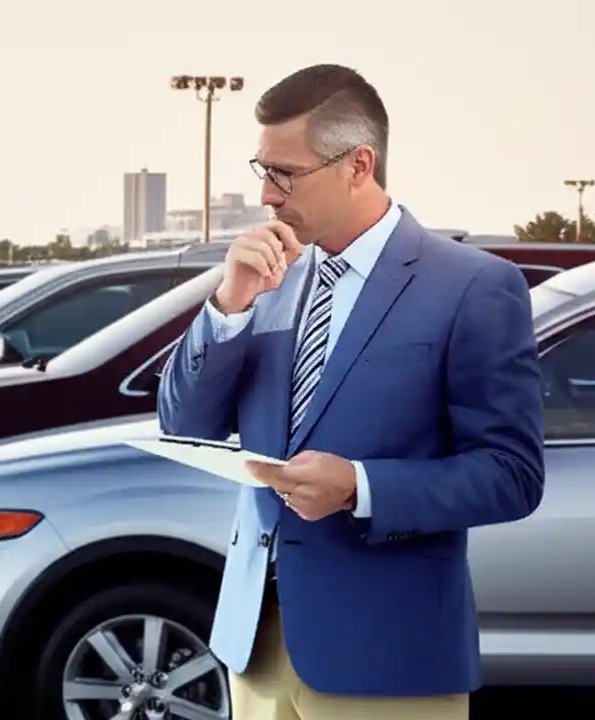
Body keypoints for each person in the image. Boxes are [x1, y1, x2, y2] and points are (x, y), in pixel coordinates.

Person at [157, 63, 545, 719]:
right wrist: (229, 305)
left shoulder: (474, 287)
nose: (269, 197)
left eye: (286, 173)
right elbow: (185, 423)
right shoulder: (271, 277)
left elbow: (511, 474)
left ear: (358, 165)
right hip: (256, 647)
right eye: (262, 171)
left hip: (388, 656)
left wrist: (361, 486)